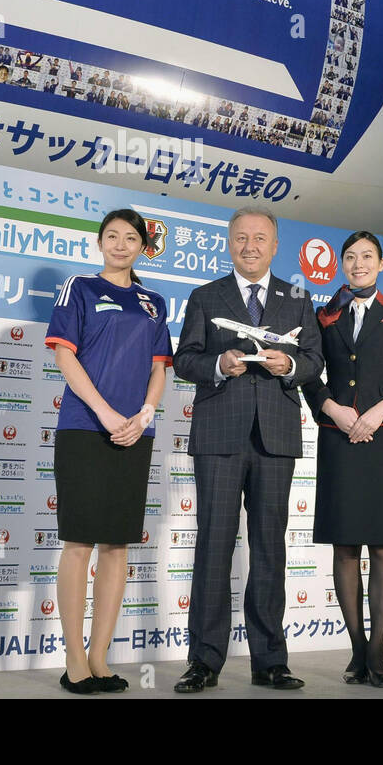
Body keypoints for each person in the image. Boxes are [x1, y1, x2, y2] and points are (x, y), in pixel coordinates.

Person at [171, 207, 323, 692]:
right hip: (219, 435)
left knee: (269, 549)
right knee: (213, 546)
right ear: (228, 243)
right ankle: (204, 661)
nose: (250, 246)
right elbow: (184, 360)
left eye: (260, 238)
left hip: (275, 436)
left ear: (275, 246)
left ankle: (270, 661)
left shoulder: (298, 298)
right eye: (241, 237)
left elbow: (314, 359)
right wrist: (219, 364)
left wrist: (288, 366)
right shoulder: (205, 296)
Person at [44, 209, 172, 694]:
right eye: (112, 236)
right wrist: (105, 413)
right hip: (84, 427)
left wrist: (144, 415)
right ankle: (74, 659)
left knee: (117, 544)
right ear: (100, 242)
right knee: (79, 543)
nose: (120, 244)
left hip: (134, 433)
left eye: (130, 238)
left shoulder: (154, 302)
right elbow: (65, 354)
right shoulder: (79, 287)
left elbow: (159, 367)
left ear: (142, 247)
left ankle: (100, 657)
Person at [302, 230, 383, 688]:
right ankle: (357, 651)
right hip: (338, 437)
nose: (359, 264)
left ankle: (377, 653)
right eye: (351, 257)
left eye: (367, 256)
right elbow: (308, 374)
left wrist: (382, 410)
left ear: (381, 263)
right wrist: (333, 409)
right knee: (344, 547)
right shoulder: (324, 315)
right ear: (342, 265)